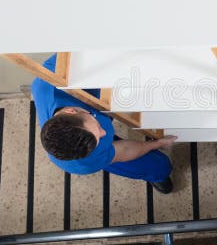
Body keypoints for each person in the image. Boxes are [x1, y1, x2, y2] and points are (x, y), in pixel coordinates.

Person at [31, 54, 176, 193]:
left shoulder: (48, 79)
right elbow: (124, 150)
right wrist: (155, 144)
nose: (105, 132)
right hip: (98, 151)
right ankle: (159, 175)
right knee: (158, 165)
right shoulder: (87, 160)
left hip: (87, 82)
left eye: (97, 126)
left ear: (71, 111)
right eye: (98, 135)